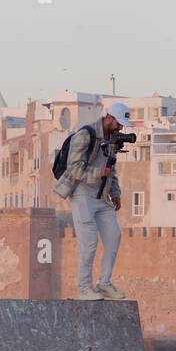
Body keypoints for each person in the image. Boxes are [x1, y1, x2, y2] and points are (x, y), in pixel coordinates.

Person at [64, 102, 130, 301]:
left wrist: (115, 192)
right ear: (109, 117)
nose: (121, 128)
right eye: (119, 123)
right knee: (89, 243)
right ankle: (84, 288)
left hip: (102, 195)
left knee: (113, 236)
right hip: (81, 193)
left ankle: (104, 283)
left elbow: (112, 169)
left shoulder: (112, 139)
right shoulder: (86, 134)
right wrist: (97, 173)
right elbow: (73, 168)